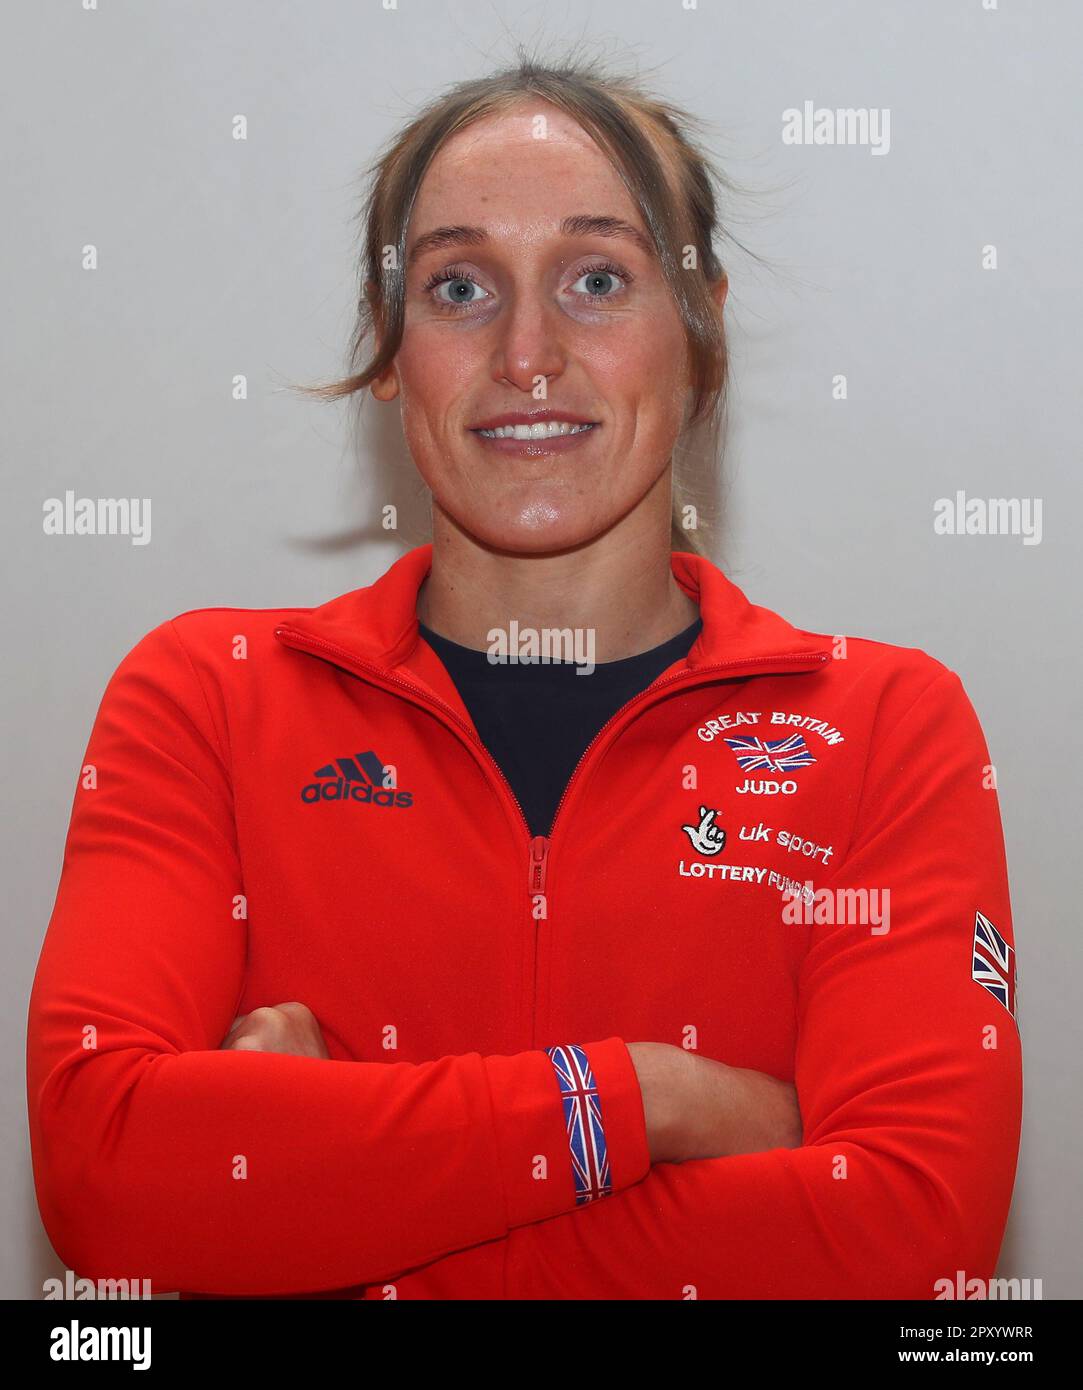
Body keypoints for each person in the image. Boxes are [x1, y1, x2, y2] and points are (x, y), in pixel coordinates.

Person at [27, 54, 1021, 1300]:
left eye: (598, 278)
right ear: (392, 349)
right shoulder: (208, 698)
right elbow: (105, 1177)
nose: (529, 354)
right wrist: (661, 1098)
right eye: (457, 287)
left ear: (701, 330)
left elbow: (911, 1246)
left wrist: (328, 1184)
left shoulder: (884, 726)